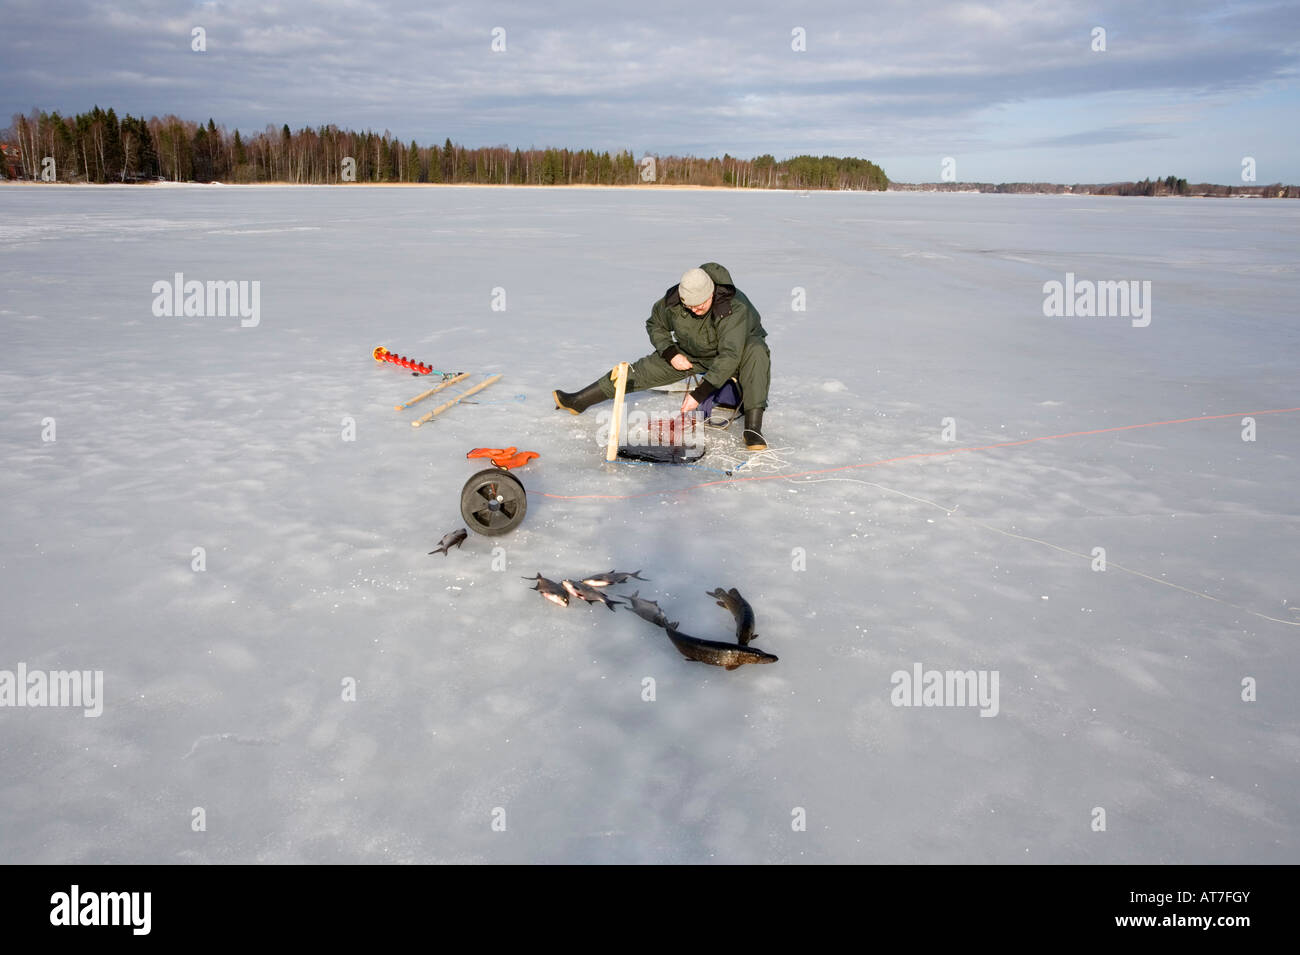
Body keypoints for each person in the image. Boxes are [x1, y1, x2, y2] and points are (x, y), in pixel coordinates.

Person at [553, 263, 771, 450]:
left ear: (711, 294)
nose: (695, 310)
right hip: (692, 352)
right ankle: (579, 400)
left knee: (757, 351)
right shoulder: (673, 302)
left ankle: (753, 428)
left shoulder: (733, 307)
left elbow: (730, 355)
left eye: (701, 305)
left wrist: (699, 394)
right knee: (642, 370)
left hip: (738, 355)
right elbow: (655, 324)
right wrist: (671, 352)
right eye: (690, 306)